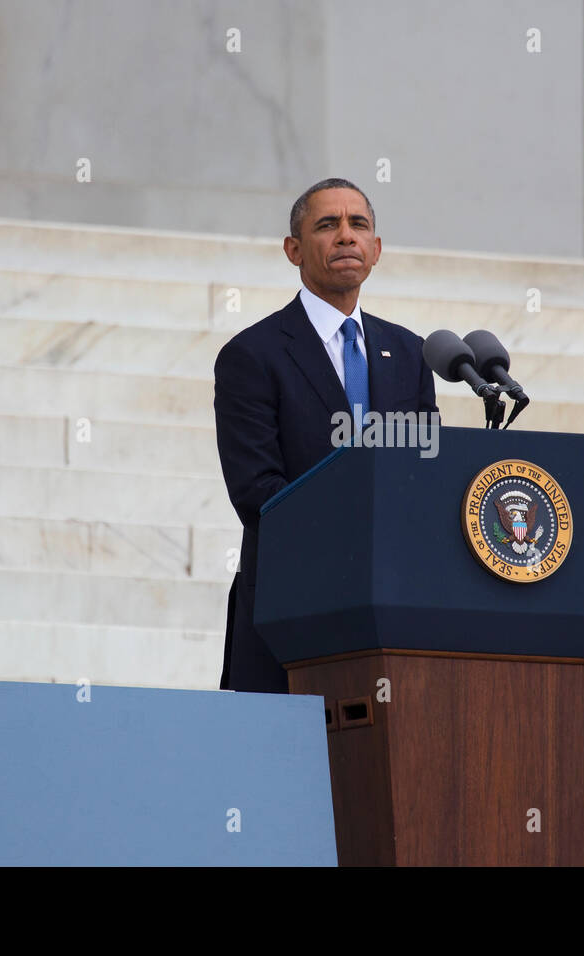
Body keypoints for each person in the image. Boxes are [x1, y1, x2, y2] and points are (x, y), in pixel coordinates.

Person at [212, 178, 440, 693]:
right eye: (327, 225)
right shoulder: (253, 355)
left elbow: (426, 477)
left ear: (376, 249)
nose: (345, 236)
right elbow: (257, 493)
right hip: (290, 610)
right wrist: (358, 533)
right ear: (293, 249)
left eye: (358, 225)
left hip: (392, 614)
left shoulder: (410, 354)